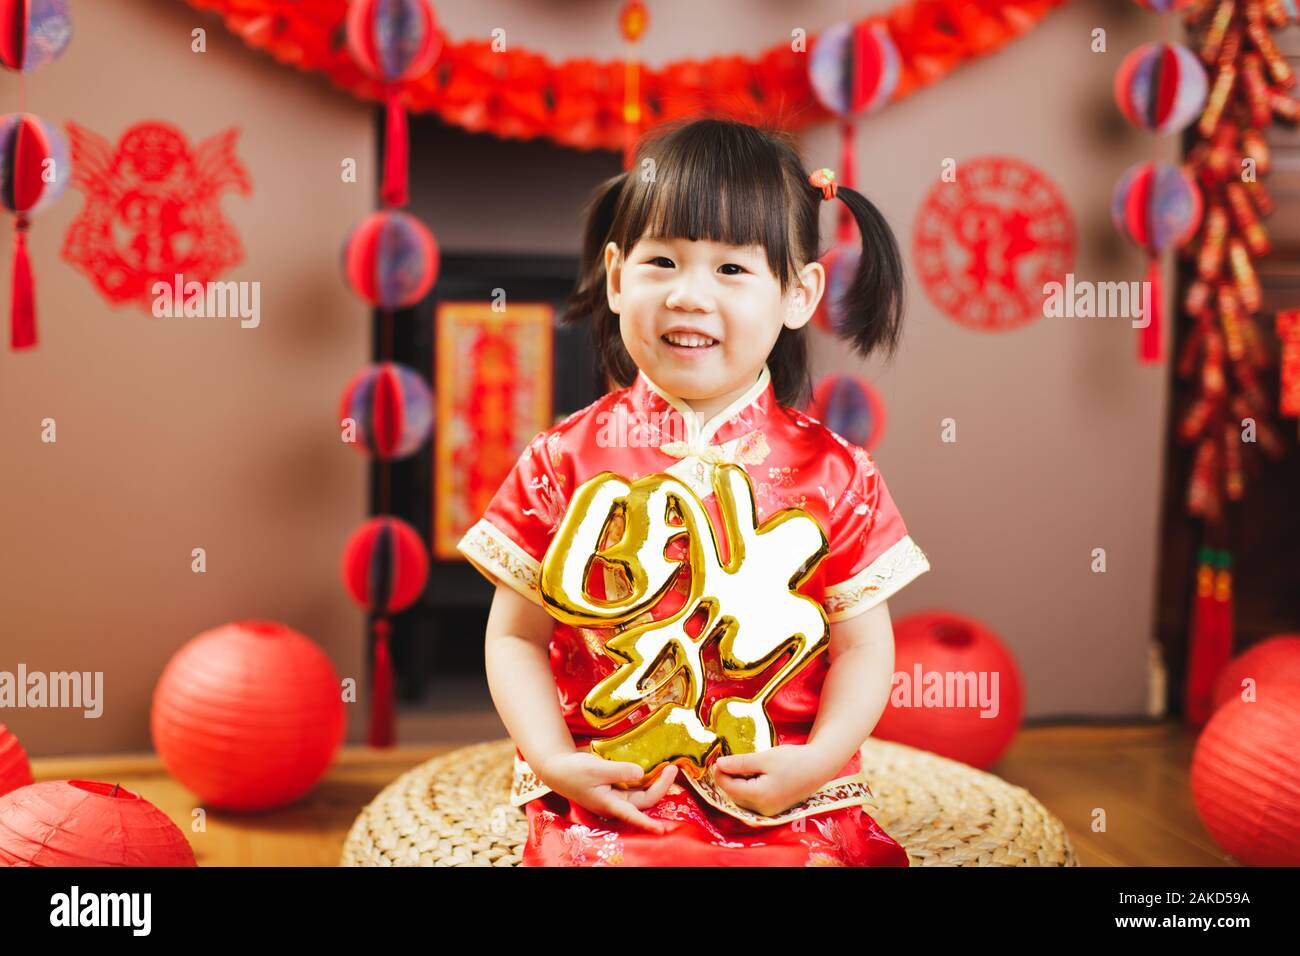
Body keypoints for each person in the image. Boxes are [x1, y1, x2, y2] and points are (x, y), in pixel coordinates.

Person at [457, 117, 931, 866]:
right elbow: (515, 635)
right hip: (615, 789)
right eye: (663, 262)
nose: (688, 295)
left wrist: (815, 763)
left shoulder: (837, 473)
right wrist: (552, 760)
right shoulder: (562, 458)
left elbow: (864, 648)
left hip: (778, 790)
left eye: (731, 270)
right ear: (616, 278)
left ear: (800, 292)